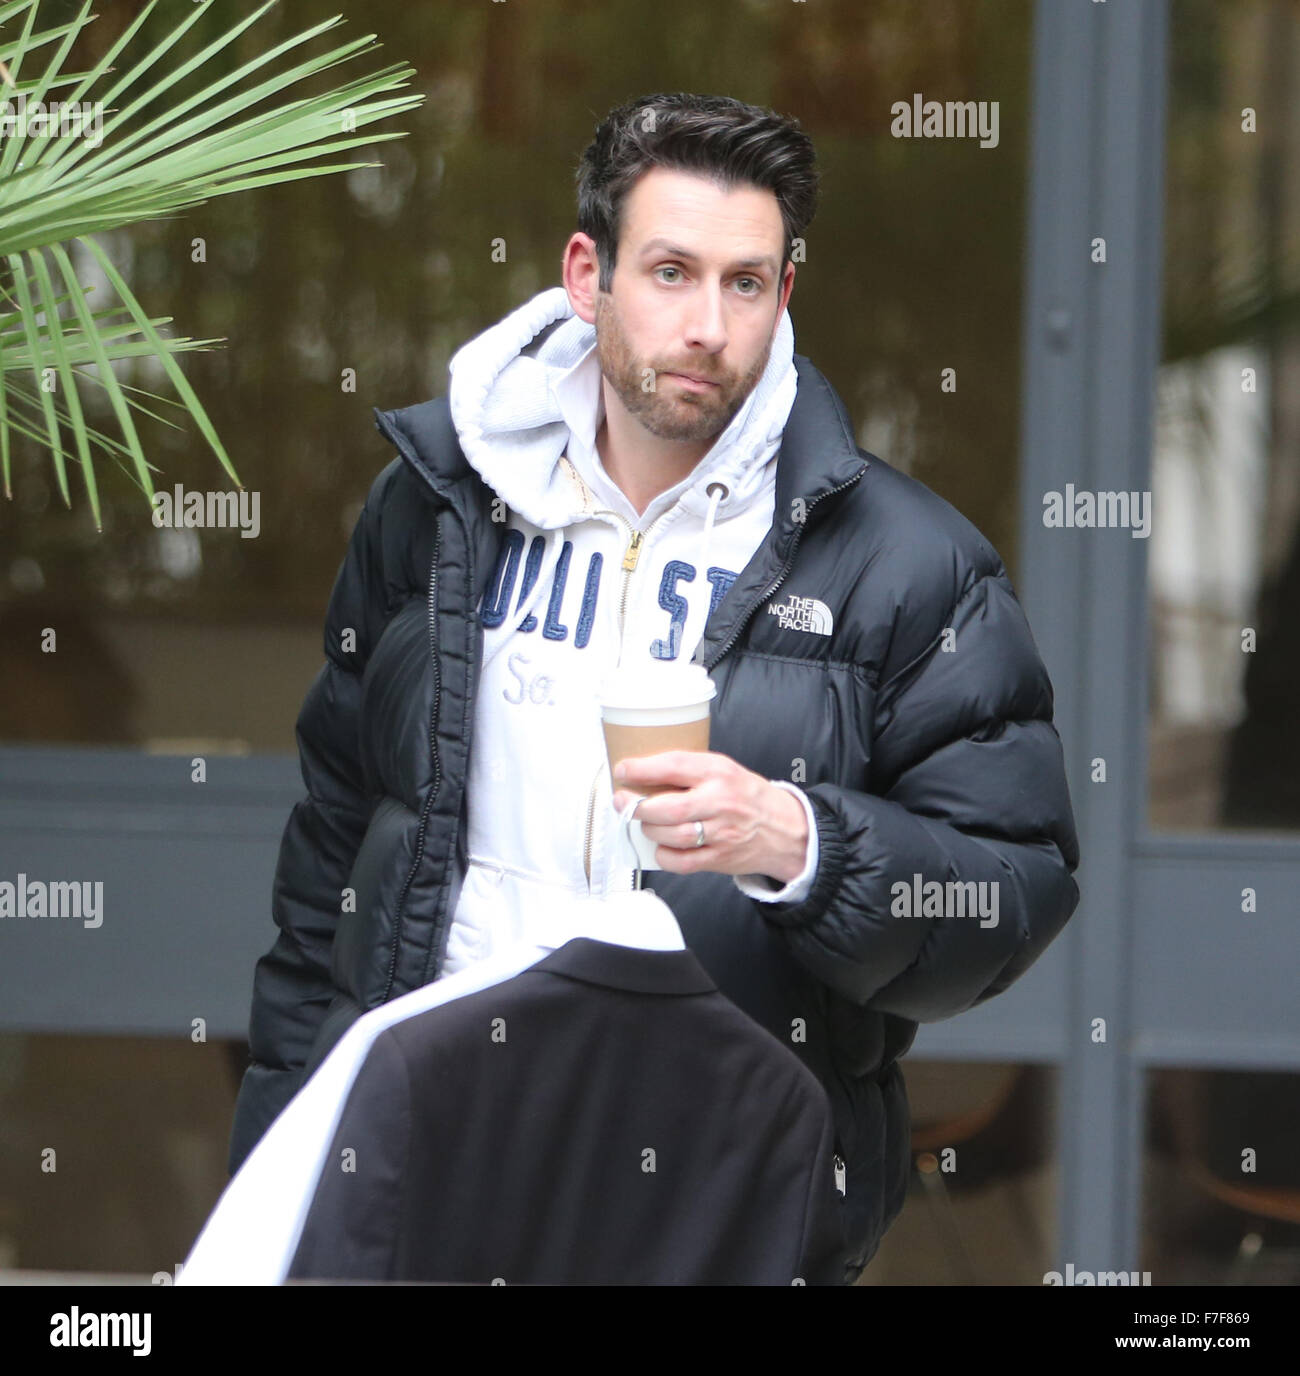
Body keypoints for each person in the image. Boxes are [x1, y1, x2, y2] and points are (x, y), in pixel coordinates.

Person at [227, 91, 1081, 1284]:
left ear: (784, 294)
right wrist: (283, 1139)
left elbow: (1016, 885)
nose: (707, 325)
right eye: (670, 271)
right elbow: (331, 858)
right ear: (589, 273)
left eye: (745, 283)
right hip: (438, 1139)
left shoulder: (906, 563)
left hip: (713, 1172)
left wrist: (804, 844)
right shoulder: (434, 505)